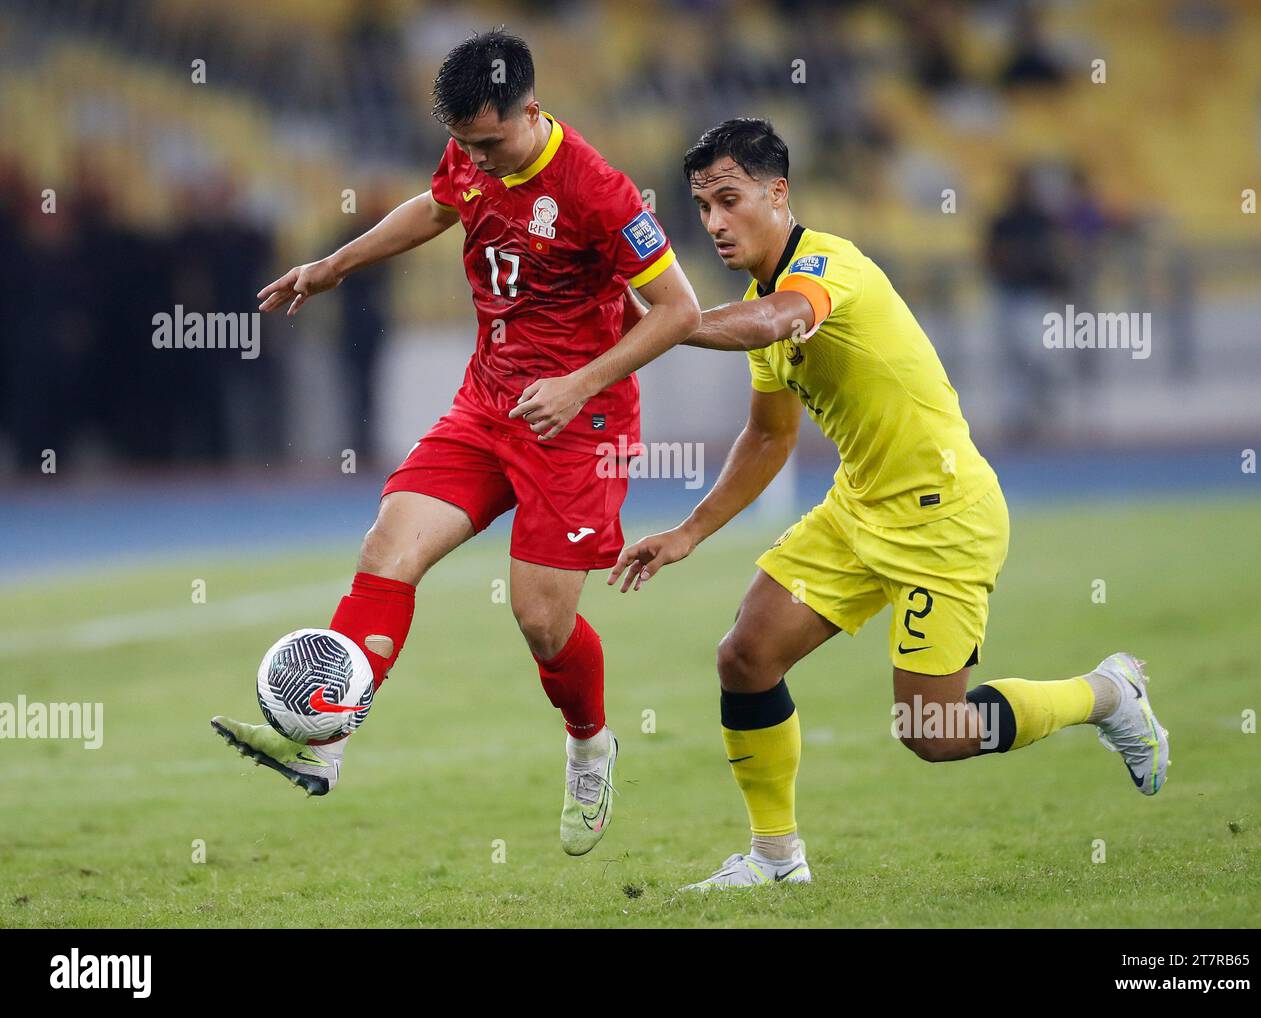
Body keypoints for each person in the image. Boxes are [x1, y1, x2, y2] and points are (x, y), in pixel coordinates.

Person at [609, 118, 1168, 888]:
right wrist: (689, 532)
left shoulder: (826, 266)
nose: (713, 222)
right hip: (858, 509)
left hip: (944, 517)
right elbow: (769, 438)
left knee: (933, 732)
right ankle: (776, 861)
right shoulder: (755, 299)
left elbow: (779, 320)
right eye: (703, 207)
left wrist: (672, 322)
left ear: (778, 193)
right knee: (745, 656)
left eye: (729, 200)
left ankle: (1108, 694)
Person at [212, 29, 701, 858]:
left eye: (490, 141)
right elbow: (437, 206)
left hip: (579, 425)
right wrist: (336, 264)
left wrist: (580, 383)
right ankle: (324, 745)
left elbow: (681, 311)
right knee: (387, 549)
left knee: (542, 623)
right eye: (465, 143)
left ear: (532, 112)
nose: (478, 157)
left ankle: (589, 746)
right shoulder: (471, 155)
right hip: (486, 406)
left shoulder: (601, 194)